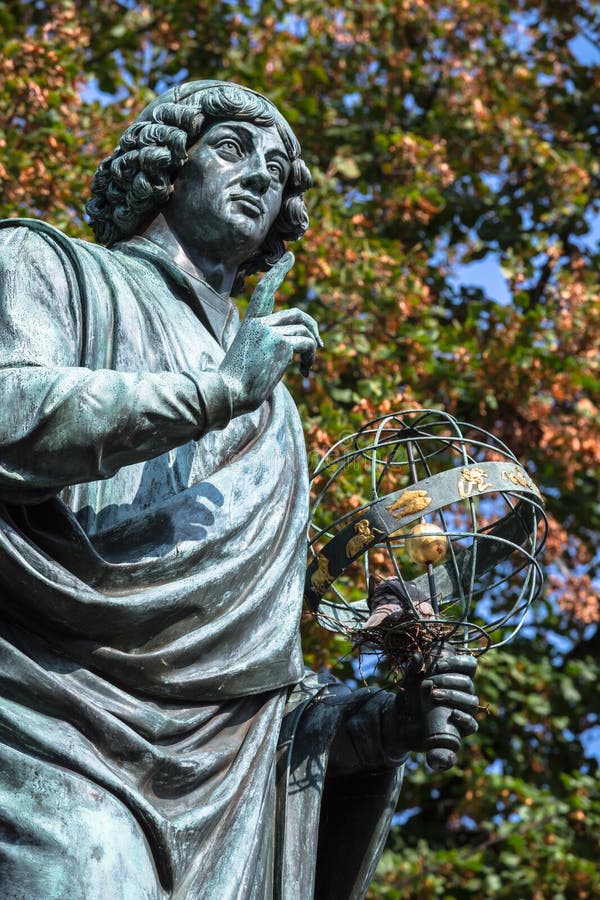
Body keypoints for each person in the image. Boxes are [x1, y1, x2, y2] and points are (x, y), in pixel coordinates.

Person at [0, 81, 478, 899]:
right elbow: (11, 414)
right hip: (54, 710)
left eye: (277, 170)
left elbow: (263, 682)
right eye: (231, 148)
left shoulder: (279, 412)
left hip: (227, 786)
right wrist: (214, 391)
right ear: (166, 170)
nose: (259, 174)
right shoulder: (50, 265)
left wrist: (377, 729)